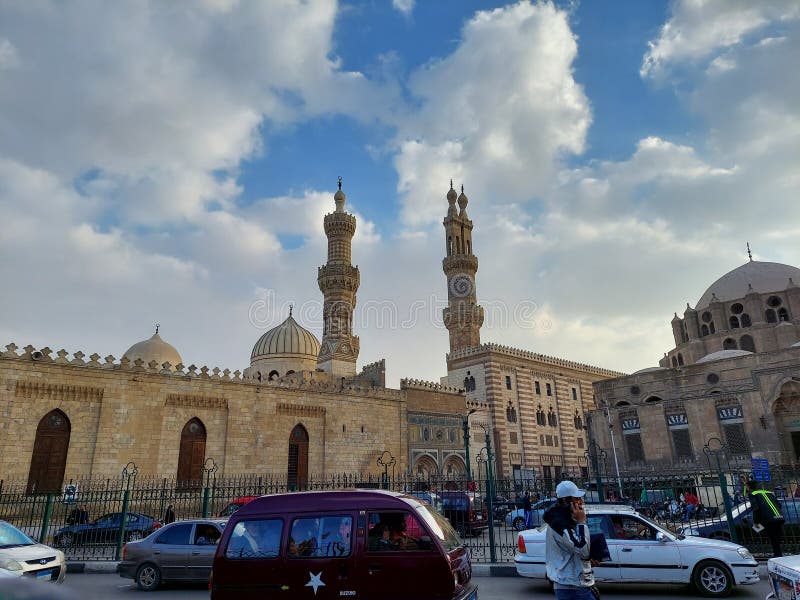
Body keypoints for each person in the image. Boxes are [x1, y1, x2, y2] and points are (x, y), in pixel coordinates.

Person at [543, 480, 596, 600]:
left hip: (576, 583)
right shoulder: (561, 524)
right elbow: (582, 549)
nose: (581, 502)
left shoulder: (566, 520)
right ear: (567, 502)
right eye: (577, 499)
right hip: (571, 586)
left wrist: (588, 560)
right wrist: (582, 522)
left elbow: (575, 552)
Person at [747, 479, 785, 557]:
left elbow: (756, 509)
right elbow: (779, 505)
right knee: (776, 538)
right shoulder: (768, 492)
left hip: (769, 519)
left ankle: (777, 556)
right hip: (779, 518)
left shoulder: (752, 494)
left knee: (772, 538)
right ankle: (779, 554)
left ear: (748, 487)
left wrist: (756, 522)